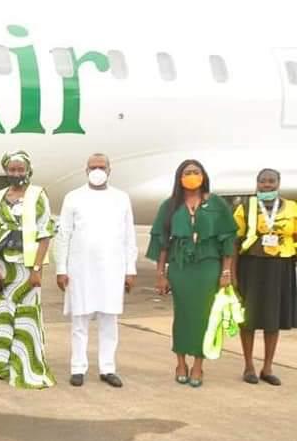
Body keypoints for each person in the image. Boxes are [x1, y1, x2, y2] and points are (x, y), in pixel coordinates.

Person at [148, 159, 237, 387]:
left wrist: (226, 270)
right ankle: (180, 362)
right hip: (180, 268)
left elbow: (227, 239)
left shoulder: (217, 204)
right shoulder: (169, 206)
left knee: (203, 317)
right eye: (187, 172)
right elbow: (162, 242)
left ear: (204, 176)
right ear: (180, 177)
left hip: (208, 266)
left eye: (196, 172)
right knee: (183, 315)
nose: (192, 175)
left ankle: (198, 365)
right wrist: (160, 273)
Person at [53, 153, 137, 388]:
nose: (97, 170)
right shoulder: (73, 197)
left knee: (109, 320)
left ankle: (107, 368)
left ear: (109, 170)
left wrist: (130, 270)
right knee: (79, 321)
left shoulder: (121, 198)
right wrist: (61, 268)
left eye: (101, 166)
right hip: (80, 269)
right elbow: (64, 235)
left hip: (112, 269)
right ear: (85, 170)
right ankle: (78, 368)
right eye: (93, 167)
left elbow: (129, 236)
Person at [0, 151, 56, 389]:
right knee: (2, 311)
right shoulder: (1, 195)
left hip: (26, 265)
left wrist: (36, 269)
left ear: (28, 170)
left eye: (20, 169)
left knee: (26, 313)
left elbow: (45, 233)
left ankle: (26, 366)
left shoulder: (38, 195)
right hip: (4, 265)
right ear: (6, 171)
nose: (16, 174)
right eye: (12, 169)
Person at [233, 168, 296, 386]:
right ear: (257, 183)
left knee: (273, 318)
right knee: (248, 318)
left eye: (271, 181)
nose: (267, 185)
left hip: (280, 267)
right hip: (251, 266)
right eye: (263, 181)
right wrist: (231, 273)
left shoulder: (292, 207)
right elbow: (234, 241)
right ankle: (249, 365)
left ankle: (267, 367)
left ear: (279, 183)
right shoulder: (245, 207)